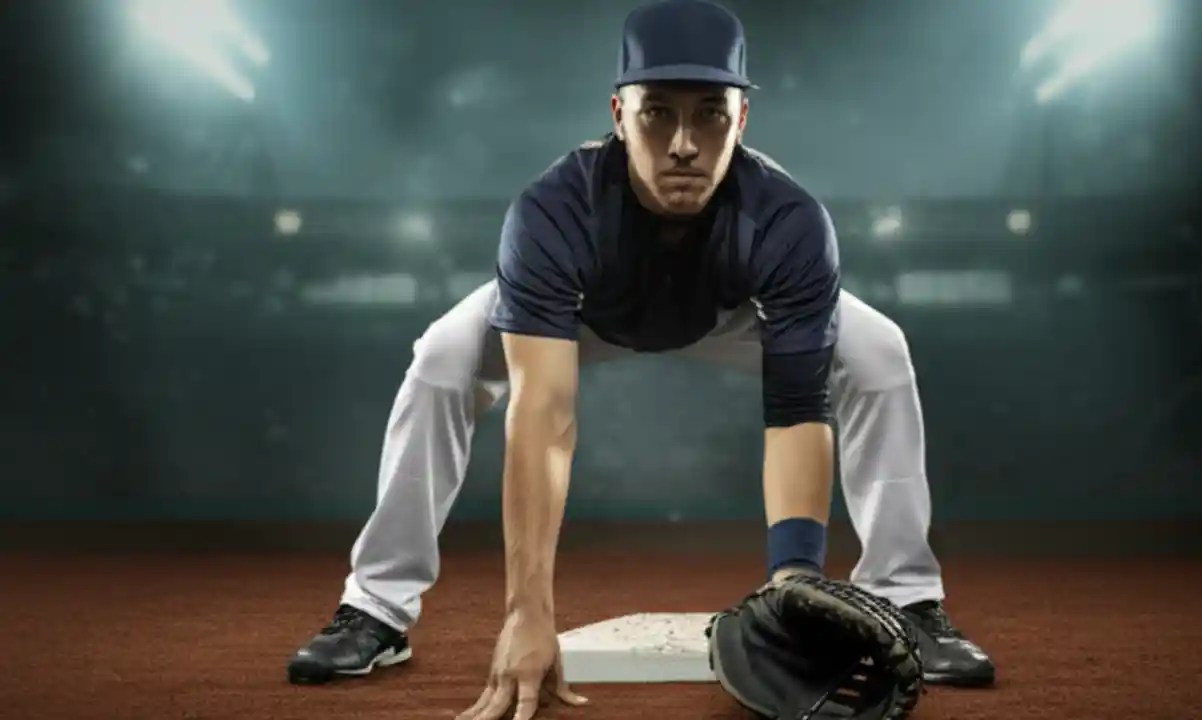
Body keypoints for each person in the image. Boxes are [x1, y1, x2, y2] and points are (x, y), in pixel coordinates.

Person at [286, 1, 996, 715]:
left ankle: (907, 597)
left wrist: (793, 579)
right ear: (618, 114)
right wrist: (528, 610)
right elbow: (544, 415)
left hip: (732, 321)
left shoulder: (788, 219)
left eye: (710, 113)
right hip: (579, 318)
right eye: (658, 112)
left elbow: (794, 412)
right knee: (442, 356)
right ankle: (377, 607)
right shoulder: (555, 210)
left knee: (878, 353)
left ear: (741, 121)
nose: (684, 142)